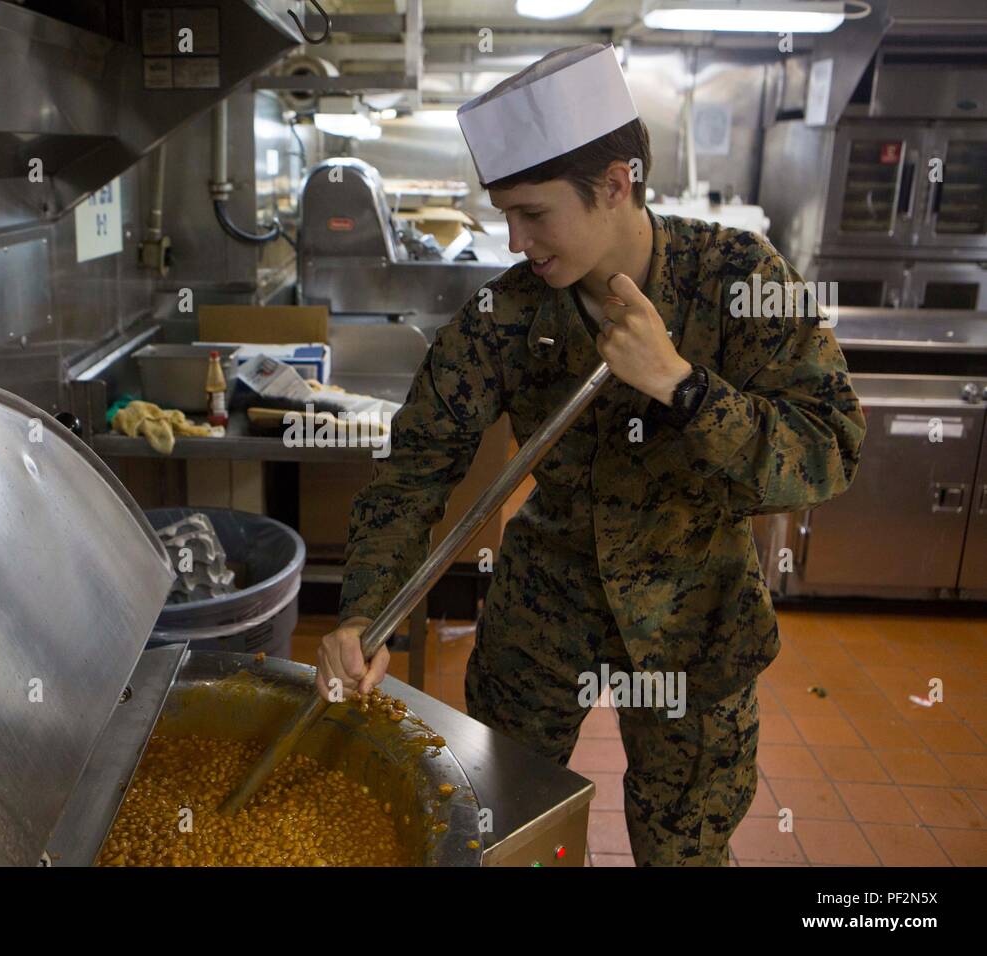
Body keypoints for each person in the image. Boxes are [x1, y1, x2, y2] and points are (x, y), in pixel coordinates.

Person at [315, 43, 867, 866]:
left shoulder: (737, 278)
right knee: (500, 828)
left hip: (696, 622)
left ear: (617, 183)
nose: (517, 240)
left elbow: (827, 455)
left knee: (684, 849)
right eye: (505, 213)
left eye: (535, 213)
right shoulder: (506, 317)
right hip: (543, 617)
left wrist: (682, 387)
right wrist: (363, 611)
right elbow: (415, 471)